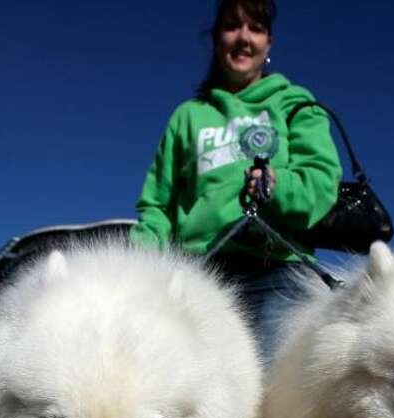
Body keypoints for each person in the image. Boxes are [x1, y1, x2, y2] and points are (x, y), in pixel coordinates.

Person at [129, 0, 341, 356]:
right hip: (201, 274)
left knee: (272, 397)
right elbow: (157, 206)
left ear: (268, 44)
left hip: (280, 273)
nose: (244, 38)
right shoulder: (187, 116)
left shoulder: (296, 103)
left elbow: (321, 182)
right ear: (215, 39)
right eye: (232, 26)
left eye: (255, 28)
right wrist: (137, 269)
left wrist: (278, 185)